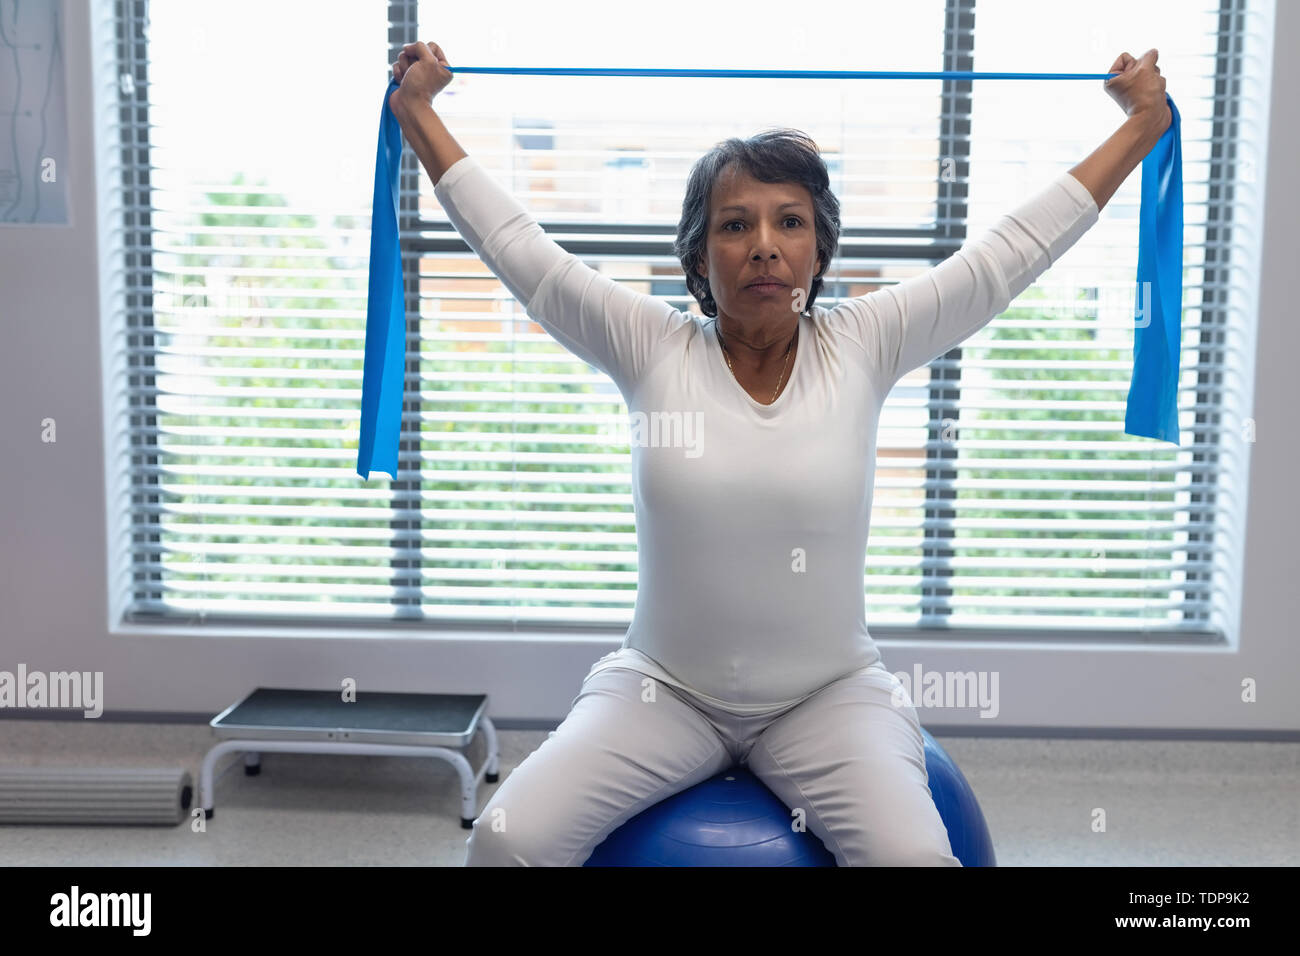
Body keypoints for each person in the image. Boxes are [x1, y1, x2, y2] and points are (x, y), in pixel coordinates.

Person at [387, 42, 1172, 866]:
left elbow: (1009, 253)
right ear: (698, 259)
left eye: (789, 222)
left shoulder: (866, 342)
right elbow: (519, 250)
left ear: (818, 253)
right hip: (663, 690)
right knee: (506, 845)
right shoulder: (652, 345)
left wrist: (1142, 124)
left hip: (828, 696)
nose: (764, 245)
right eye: (735, 225)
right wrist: (420, 113)